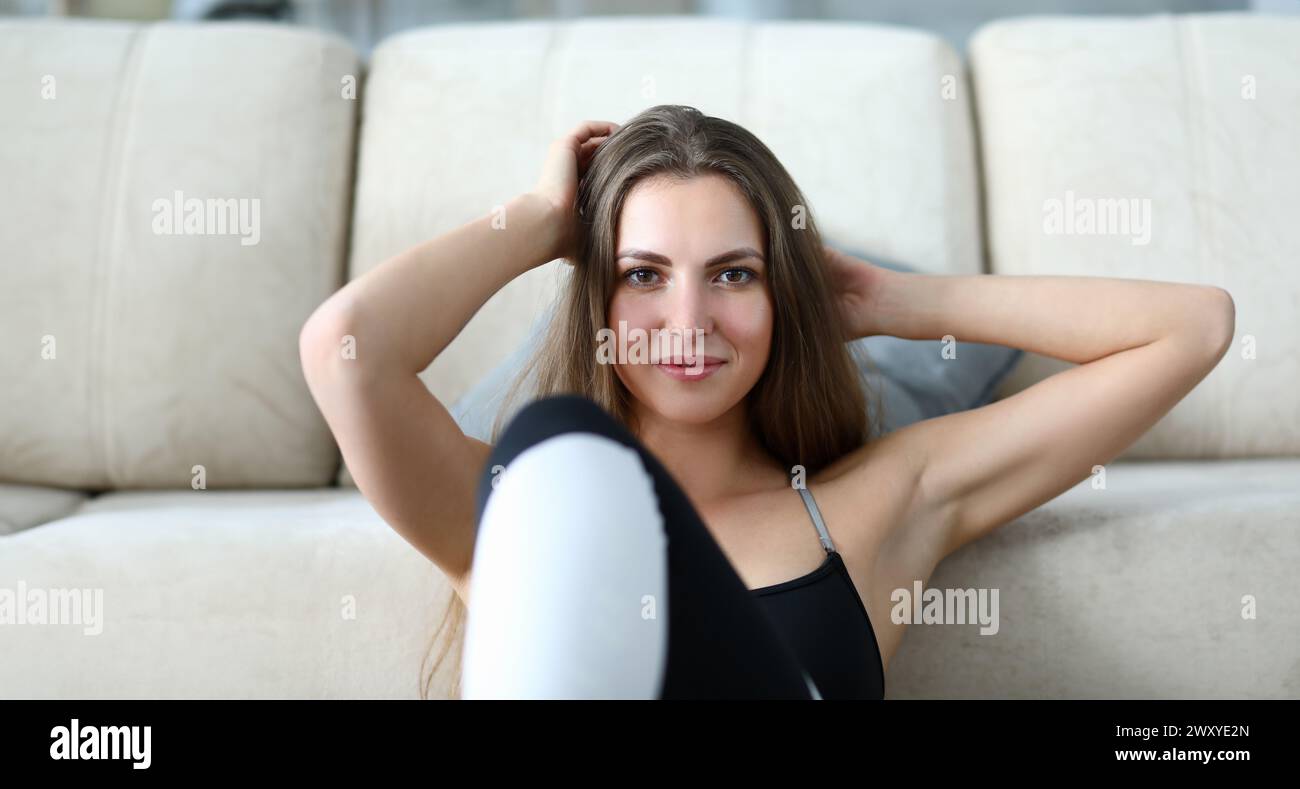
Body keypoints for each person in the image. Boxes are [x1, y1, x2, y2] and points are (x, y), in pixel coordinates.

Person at [298, 104, 1235, 699]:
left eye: (734, 275)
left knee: (553, 444)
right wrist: (546, 222)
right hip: (560, 481)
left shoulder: (876, 503)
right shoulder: (513, 516)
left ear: (783, 295)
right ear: (597, 298)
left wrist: (890, 303)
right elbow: (346, 352)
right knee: (551, 448)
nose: (690, 318)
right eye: (644, 274)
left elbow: (1193, 328)